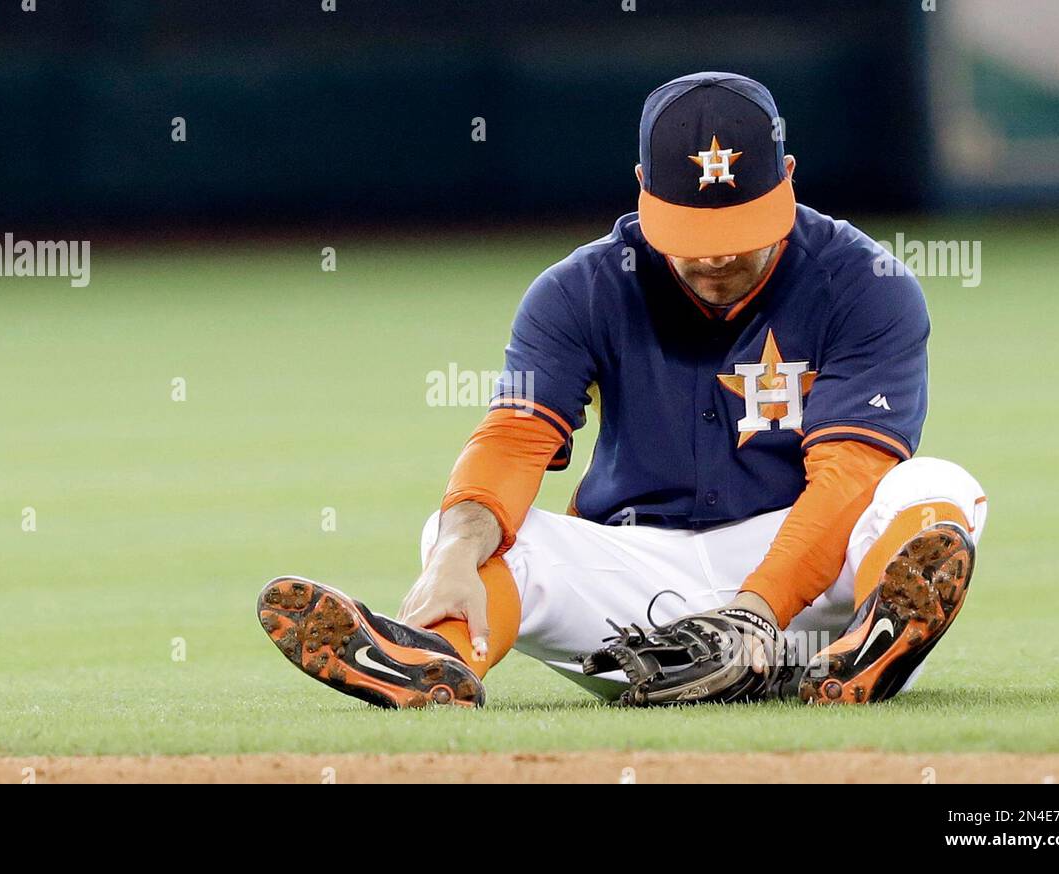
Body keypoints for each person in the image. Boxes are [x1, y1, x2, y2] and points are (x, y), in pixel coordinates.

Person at [257, 72, 986, 708]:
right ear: (642, 189)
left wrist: (758, 610)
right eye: (694, 232)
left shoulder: (864, 284)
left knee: (936, 488)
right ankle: (431, 661)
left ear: (788, 178)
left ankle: (865, 654)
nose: (719, 255)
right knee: (460, 531)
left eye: (740, 226)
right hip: (639, 601)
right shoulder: (579, 289)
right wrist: (453, 554)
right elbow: (512, 441)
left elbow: (852, 476)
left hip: (804, 595)